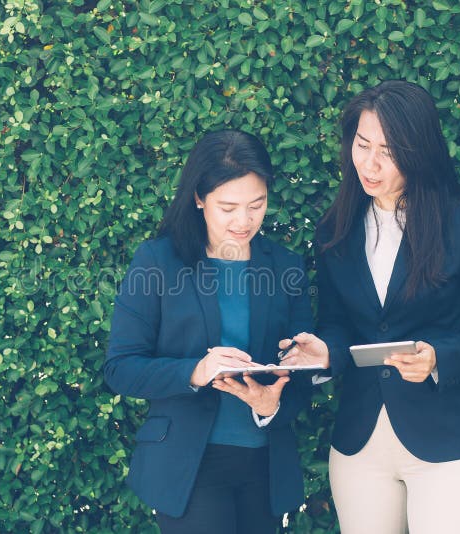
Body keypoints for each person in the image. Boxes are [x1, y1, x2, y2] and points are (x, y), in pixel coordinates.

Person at [279, 80, 460, 533]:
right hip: (359, 447)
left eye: (387, 152)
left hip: (448, 442)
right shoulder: (337, 226)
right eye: (362, 144)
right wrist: (326, 352)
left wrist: (438, 357)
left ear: (418, 152)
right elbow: (337, 322)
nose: (369, 164)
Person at [104, 129, 330, 533]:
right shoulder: (157, 261)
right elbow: (121, 367)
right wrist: (196, 370)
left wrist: (271, 404)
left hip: (264, 464)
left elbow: (301, 376)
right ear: (198, 198)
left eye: (256, 205)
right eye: (228, 208)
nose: (243, 222)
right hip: (187, 467)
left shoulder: (286, 266)